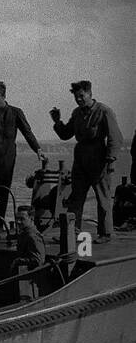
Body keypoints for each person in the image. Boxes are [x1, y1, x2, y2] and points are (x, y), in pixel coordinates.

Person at [52, 80, 124, 242]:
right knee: (76, 197)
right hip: (80, 159)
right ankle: (72, 232)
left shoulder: (104, 111)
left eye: (81, 96)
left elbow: (115, 137)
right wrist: (57, 121)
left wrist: (110, 161)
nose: (78, 99)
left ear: (90, 94)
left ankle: (106, 233)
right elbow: (66, 134)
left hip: (99, 158)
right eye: (76, 97)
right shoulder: (77, 113)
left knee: (102, 197)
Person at [0, 81, 45, 233]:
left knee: (2, 193)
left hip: (7, 159)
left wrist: (37, 149)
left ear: (4, 96)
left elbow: (27, 132)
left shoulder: (15, 112)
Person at [12, 205, 47, 270]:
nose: (18, 222)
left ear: (31, 218)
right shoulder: (24, 233)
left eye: (22, 219)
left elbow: (38, 261)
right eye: (17, 218)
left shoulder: (33, 236)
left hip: (30, 275)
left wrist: (19, 261)